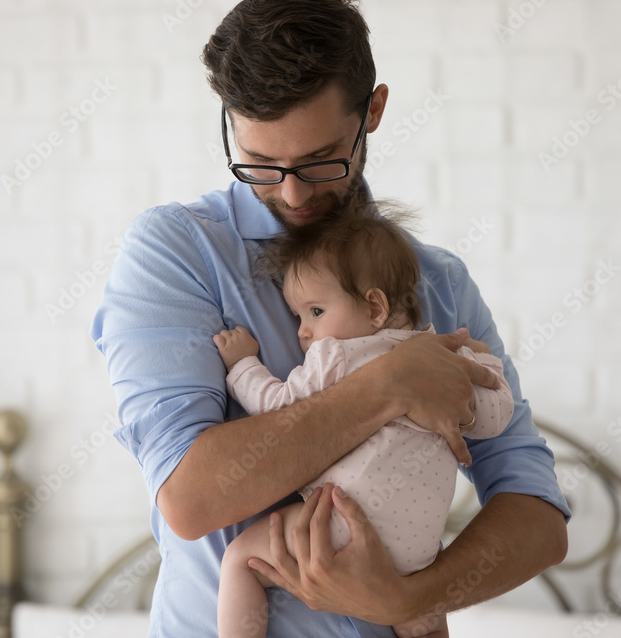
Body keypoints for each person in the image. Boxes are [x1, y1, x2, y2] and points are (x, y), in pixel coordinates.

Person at [90, 0, 570, 638]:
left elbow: (537, 514)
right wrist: (388, 384)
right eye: (259, 163)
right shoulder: (176, 251)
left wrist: (411, 598)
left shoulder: (438, 283)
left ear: (373, 111)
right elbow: (191, 497)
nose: (291, 194)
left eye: (320, 162)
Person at [213, 201, 516, 638]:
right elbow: (493, 421)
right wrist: (487, 367)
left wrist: (242, 365)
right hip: (417, 553)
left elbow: (279, 409)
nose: (303, 331)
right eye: (299, 316)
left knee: (240, 560)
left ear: (375, 308)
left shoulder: (335, 354)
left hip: (337, 526)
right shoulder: (445, 360)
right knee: (426, 615)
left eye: (315, 311)